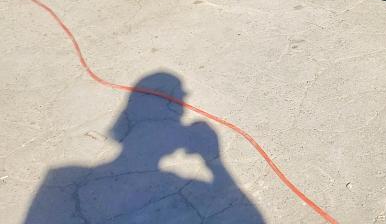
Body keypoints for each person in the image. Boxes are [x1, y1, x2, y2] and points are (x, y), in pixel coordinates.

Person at [24, 71, 264, 223]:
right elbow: (252, 217)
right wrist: (215, 162)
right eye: (180, 97)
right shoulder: (65, 178)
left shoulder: (62, 177)